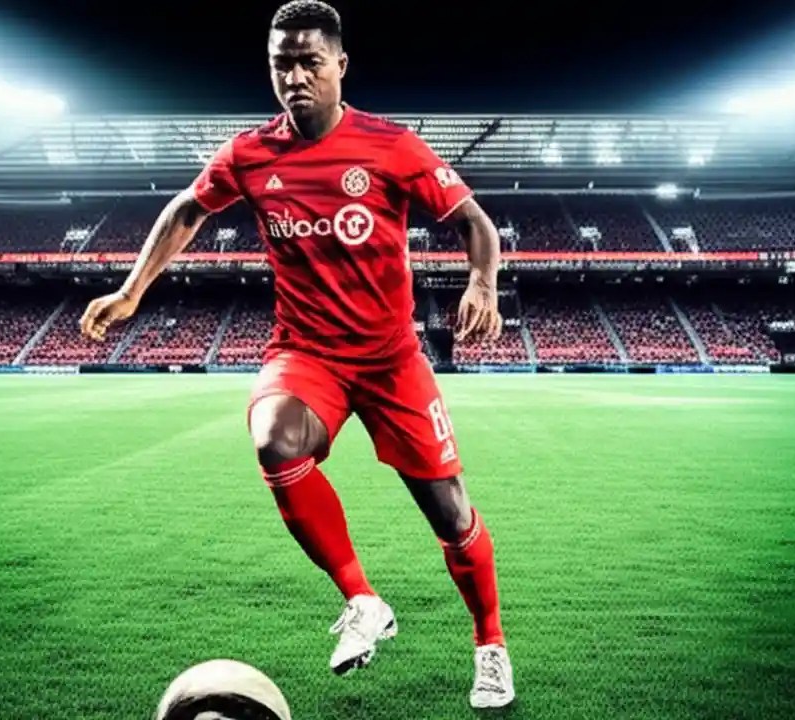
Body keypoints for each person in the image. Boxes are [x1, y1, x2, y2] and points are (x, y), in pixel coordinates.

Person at [79, 0, 514, 708]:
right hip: (306, 352)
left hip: (391, 359)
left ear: (341, 65)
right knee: (274, 439)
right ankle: (363, 601)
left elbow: (474, 222)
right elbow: (186, 209)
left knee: (451, 513)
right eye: (282, 62)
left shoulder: (391, 146)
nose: (295, 77)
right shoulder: (250, 154)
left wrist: (484, 282)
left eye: (310, 61)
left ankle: (490, 644)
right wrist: (132, 291)